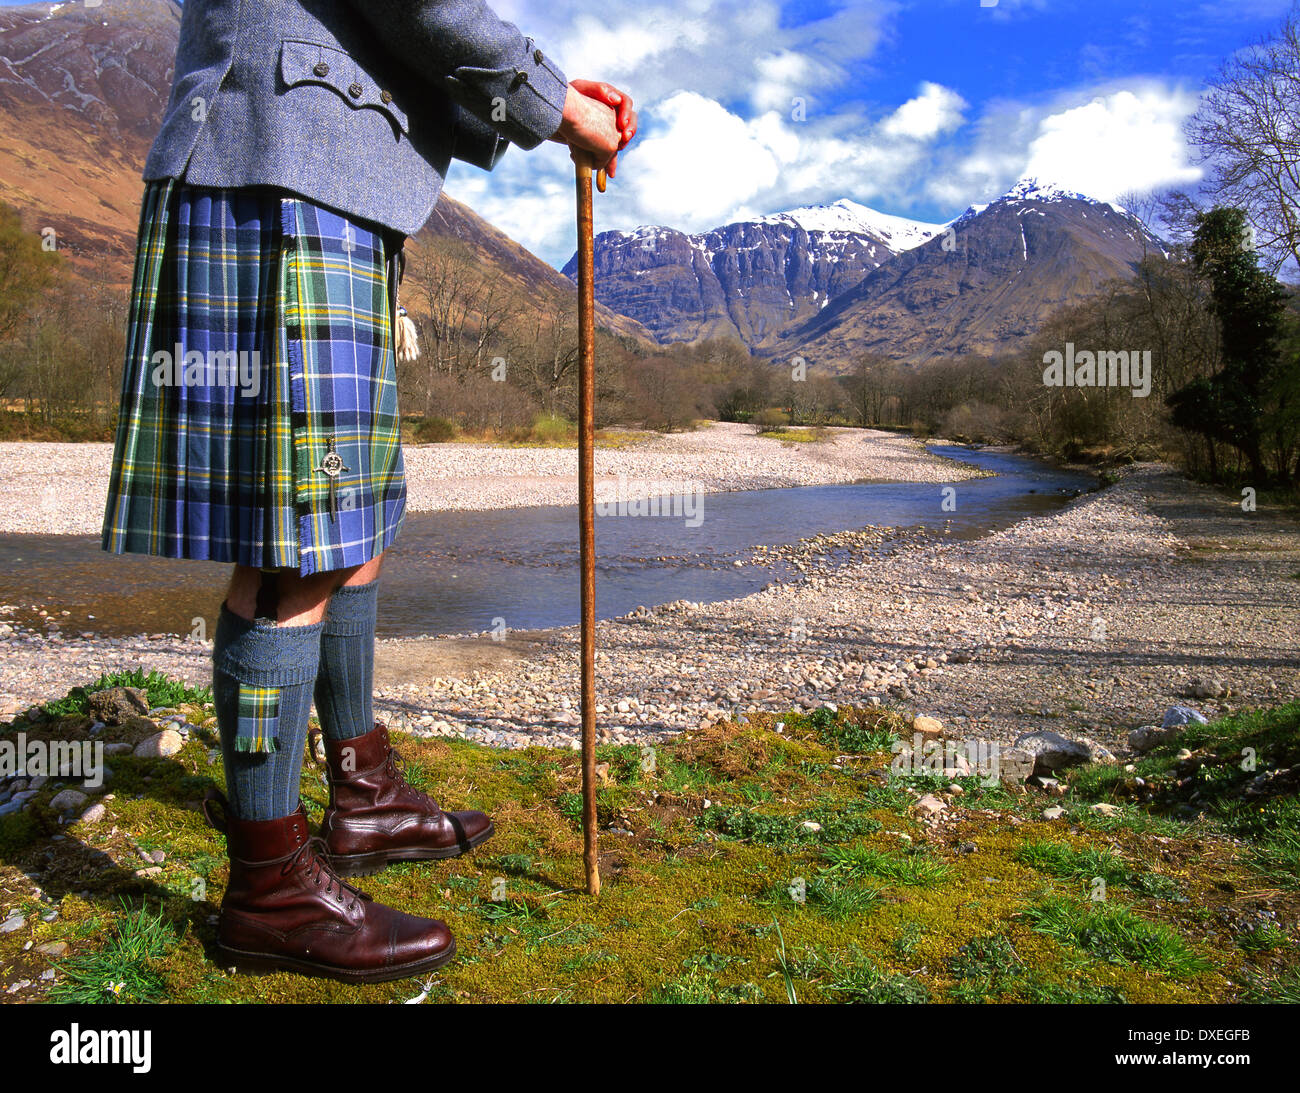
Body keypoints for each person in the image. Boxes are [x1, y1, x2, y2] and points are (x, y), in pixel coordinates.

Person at [100, 0, 636, 984]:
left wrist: (555, 96)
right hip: (274, 175)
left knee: (354, 526)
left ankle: (364, 795)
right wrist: (551, 102)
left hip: (324, 183)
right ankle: (269, 889)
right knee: (290, 546)